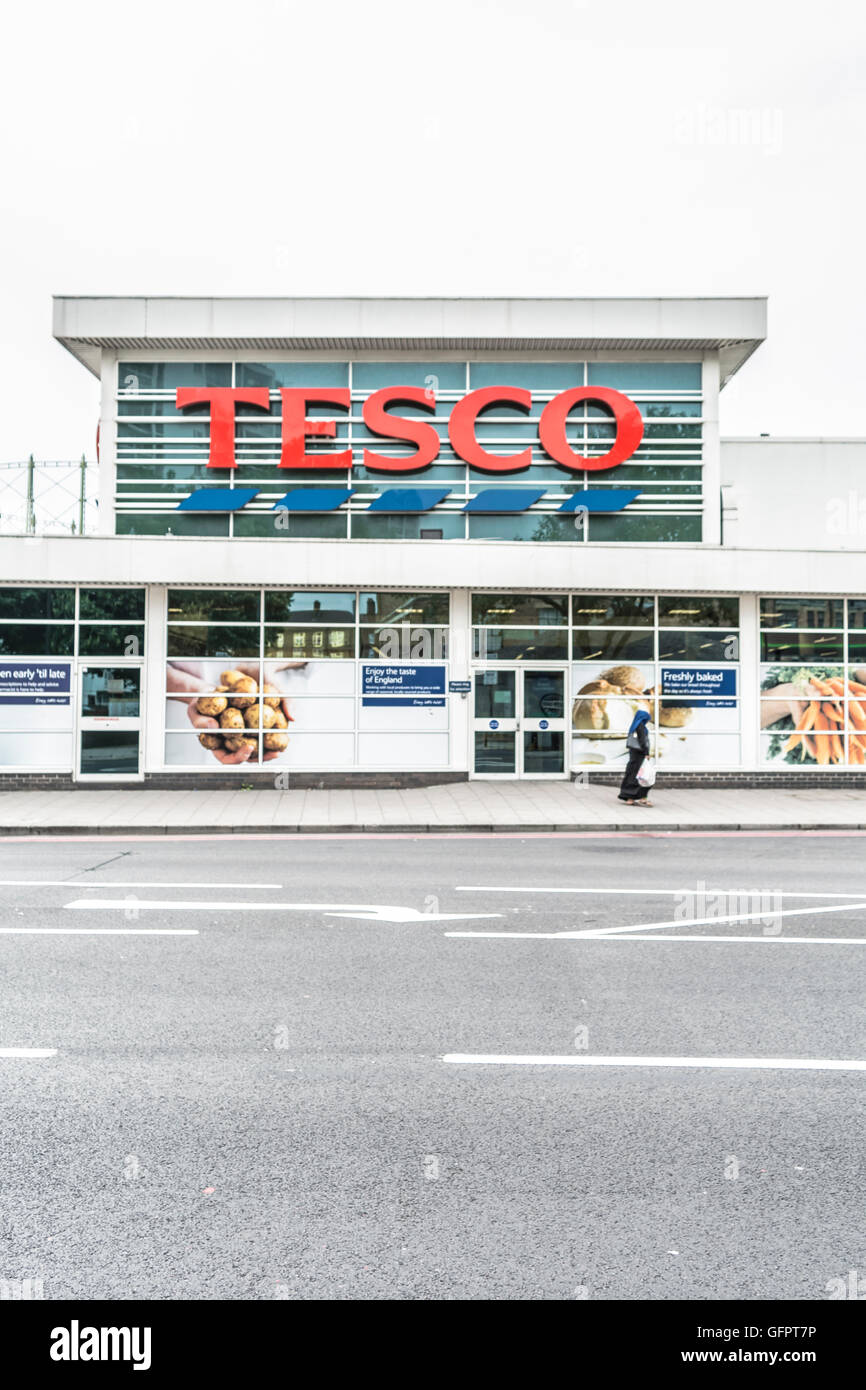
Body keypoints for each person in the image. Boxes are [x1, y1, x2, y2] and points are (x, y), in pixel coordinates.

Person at [618, 707, 653, 806]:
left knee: (632, 775)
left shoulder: (634, 726)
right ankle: (642, 798)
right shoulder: (641, 727)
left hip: (633, 755)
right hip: (640, 755)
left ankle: (630, 798)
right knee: (643, 777)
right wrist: (646, 753)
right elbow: (642, 741)